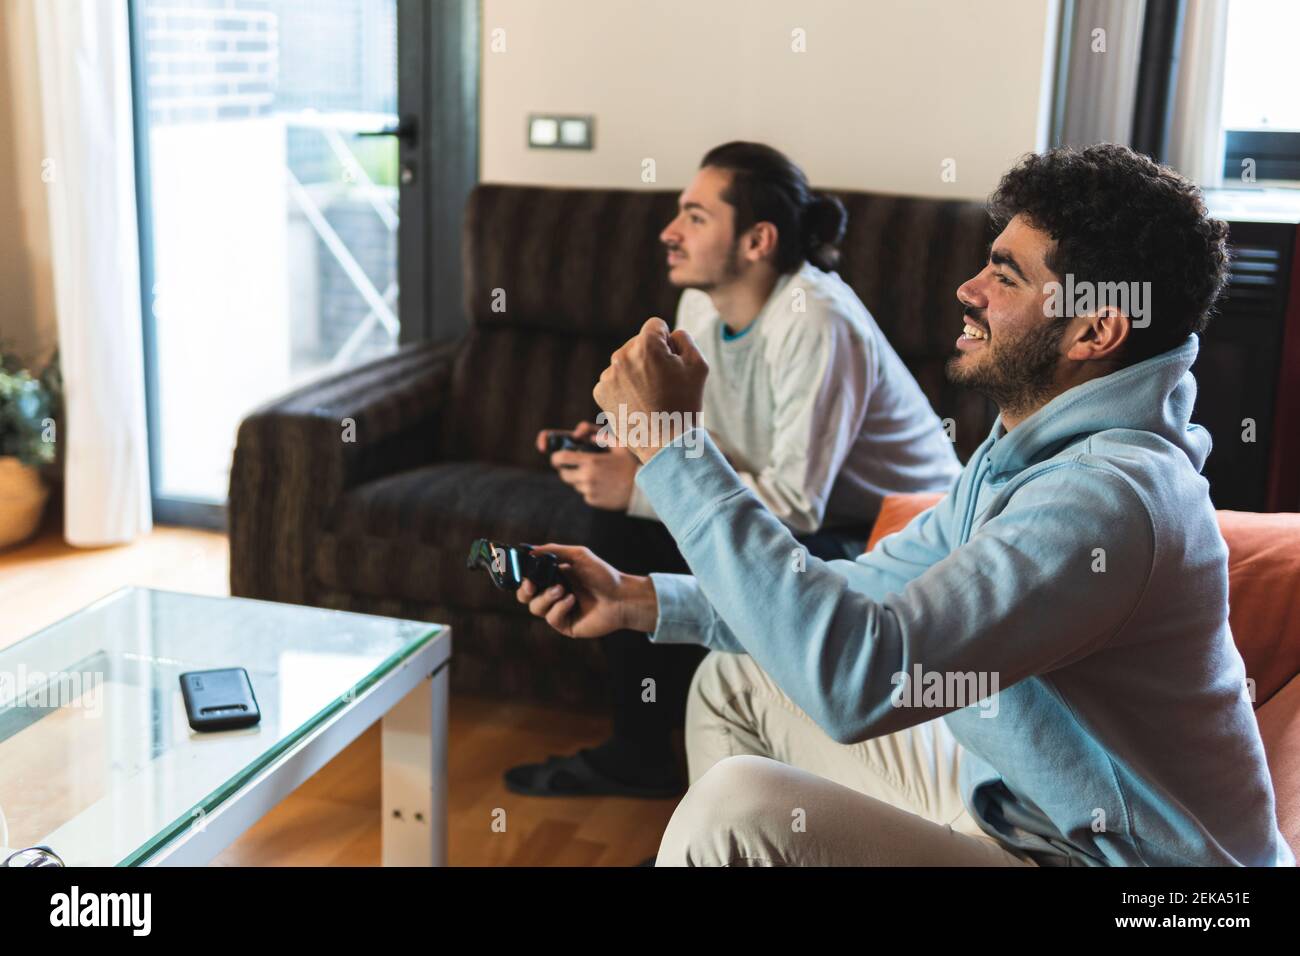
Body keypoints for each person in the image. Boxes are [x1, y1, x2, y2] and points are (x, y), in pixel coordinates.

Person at [517, 144, 1295, 867]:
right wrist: (641, 599)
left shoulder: (1105, 502)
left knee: (735, 810)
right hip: (1016, 802)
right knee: (734, 679)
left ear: (1095, 329)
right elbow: (870, 587)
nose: (968, 289)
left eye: (1007, 275)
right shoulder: (1023, 453)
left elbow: (858, 683)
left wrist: (673, 449)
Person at [507, 142, 959, 799]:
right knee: (616, 526)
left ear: (757, 240)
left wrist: (641, 489)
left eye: (694, 216)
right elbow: (707, 441)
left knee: (705, 550)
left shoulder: (817, 322)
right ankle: (640, 754)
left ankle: (728, 795)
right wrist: (627, 446)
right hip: (808, 511)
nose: (668, 231)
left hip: (887, 534)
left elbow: (799, 506)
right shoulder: (698, 308)